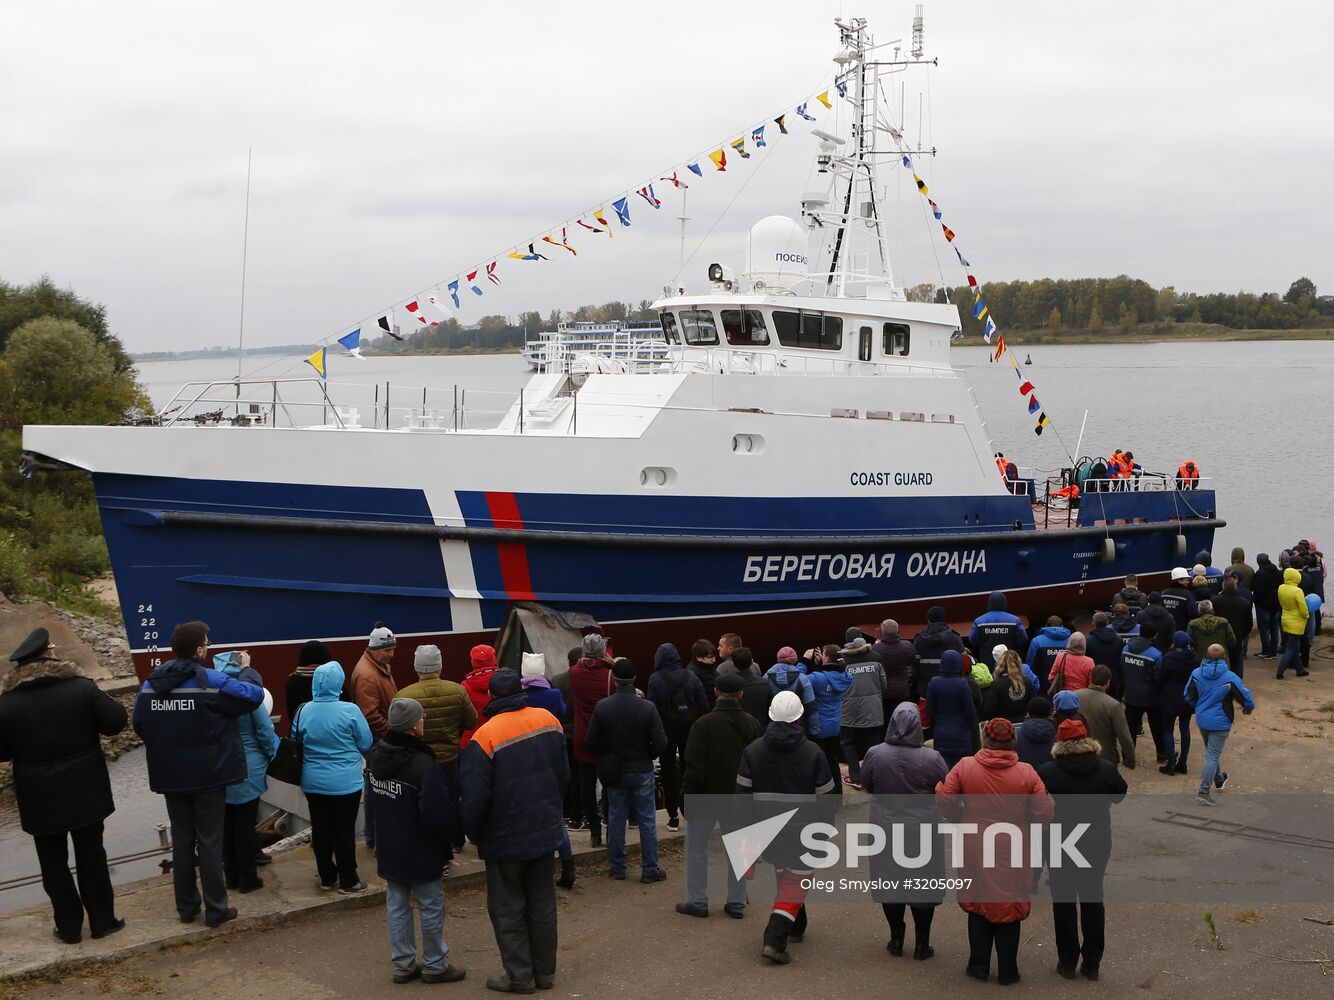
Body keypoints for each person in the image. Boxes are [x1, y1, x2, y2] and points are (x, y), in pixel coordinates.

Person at [0, 628, 128, 943]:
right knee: (92, 857)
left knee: (52, 863)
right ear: (49, 656)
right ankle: (102, 922)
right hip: (85, 789)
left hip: (38, 797)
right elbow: (115, 723)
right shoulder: (81, 689)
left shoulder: (6, 704)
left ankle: (69, 928)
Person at [132, 621, 263, 928]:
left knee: (181, 840)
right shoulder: (212, 682)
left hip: (170, 776)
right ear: (200, 650)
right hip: (209, 776)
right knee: (209, 841)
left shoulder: (150, 684)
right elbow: (253, 696)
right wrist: (246, 669)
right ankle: (216, 910)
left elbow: (139, 724)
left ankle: (187, 908)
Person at [461, 668, 568, 994]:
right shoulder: (549, 720)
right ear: (520, 691)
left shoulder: (485, 736)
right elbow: (563, 775)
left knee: (508, 909)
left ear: (492, 696)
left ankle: (520, 976)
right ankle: (545, 973)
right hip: (544, 829)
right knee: (542, 904)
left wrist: (475, 833)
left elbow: (474, 798)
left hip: (505, 837)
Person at [936, 717, 1053, 986]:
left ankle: (978, 965)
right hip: (1013, 843)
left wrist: (959, 818)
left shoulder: (965, 766)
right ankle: (1008, 970)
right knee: (1008, 903)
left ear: (985, 739)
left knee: (978, 901)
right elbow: (1044, 813)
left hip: (974, 842)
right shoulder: (1026, 772)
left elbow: (947, 801)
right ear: (1013, 741)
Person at [367, 698, 466, 985]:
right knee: (431, 905)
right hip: (421, 848)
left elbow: (373, 805)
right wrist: (447, 840)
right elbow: (437, 814)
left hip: (390, 845)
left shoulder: (376, 757)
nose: (423, 721)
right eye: (421, 718)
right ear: (412, 726)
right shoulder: (423, 765)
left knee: (397, 905)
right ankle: (435, 964)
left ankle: (402, 964)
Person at [737, 690, 838, 965]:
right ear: (798, 719)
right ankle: (774, 938)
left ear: (771, 716)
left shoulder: (752, 751)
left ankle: (796, 925)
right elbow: (828, 799)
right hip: (803, 833)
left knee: (785, 874)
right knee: (796, 881)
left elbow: (742, 799)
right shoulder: (813, 753)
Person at [1037, 717, 1128, 982]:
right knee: (1092, 899)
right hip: (1095, 841)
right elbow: (1119, 795)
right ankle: (1092, 963)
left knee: (1063, 901)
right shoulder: (1106, 769)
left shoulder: (1047, 771)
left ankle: (1067, 962)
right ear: (1087, 740)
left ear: (1060, 742)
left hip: (1060, 843)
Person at [861, 702, 949, 961]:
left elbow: (866, 783)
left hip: (884, 827)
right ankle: (922, 942)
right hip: (921, 829)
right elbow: (943, 786)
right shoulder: (932, 758)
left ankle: (896, 936)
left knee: (889, 880)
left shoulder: (875, 753)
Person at [677, 672, 762, 919]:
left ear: (715, 693)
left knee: (696, 850)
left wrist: (685, 798)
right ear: (741, 695)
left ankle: (698, 901)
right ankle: (736, 902)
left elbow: (694, 767)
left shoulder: (702, 725)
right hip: (739, 799)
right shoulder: (752, 724)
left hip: (705, 797)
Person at [584, 658, 669, 883]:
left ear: (615, 680)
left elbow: (591, 742)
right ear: (634, 679)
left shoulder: (603, 707)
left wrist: (608, 754)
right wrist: (647, 754)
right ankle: (650, 869)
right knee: (647, 822)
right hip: (641, 769)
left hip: (615, 772)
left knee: (615, 818)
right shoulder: (647, 707)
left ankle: (618, 867)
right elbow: (661, 743)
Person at [297, 660, 373, 893]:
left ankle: (327, 877)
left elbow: (296, 739)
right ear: (338, 684)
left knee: (320, 828)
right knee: (344, 829)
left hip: (313, 781)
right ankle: (349, 880)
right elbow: (366, 742)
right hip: (345, 782)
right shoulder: (350, 710)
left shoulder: (303, 710)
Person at [397, 643, 476, 858]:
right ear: (440, 667)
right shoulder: (457, 690)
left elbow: (399, 730)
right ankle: (457, 841)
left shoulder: (404, 695)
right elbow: (471, 721)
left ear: (417, 668)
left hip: (419, 762)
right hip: (449, 757)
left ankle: (427, 843)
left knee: (422, 802)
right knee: (453, 799)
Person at [214, 651, 275, 894]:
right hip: (248, 765)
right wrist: (271, 755)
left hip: (219, 767)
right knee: (246, 822)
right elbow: (264, 731)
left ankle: (231, 876)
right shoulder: (245, 695)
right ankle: (249, 878)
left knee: (227, 823)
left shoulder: (211, 693)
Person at [518, 657, 575, 888]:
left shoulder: (521, 697)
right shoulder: (553, 694)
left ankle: (536, 871)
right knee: (557, 817)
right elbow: (563, 711)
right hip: (553, 752)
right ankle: (568, 865)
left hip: (528, 757)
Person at [646, 642, 709, 833]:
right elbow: (704, 705)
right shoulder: (690, 676)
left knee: (668, 773)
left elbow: (652, 709)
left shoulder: (655, 679)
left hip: (666, 734)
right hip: (689, 731)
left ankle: (673, 815)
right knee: (689, 771)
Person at [1186, 644, 1256, 806]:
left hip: (1203, 719)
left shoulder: (1196, 674)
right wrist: (1248, 708)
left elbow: (1187, 695)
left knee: (1211, 752)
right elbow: (1246, 698)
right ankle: (1203, 792)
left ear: (1206, 656)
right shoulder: (1230, 677)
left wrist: (1199, 707)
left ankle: (1219, 778)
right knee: (1212, 756)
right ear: (1225, 658)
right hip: (1221, 721)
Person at [350, 622, 398, 852]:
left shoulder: (377, 667)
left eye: (392, 649)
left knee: (377, 789)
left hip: (382, 740)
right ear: (375, 648)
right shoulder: (368, 675)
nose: (392, 654)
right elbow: (369, 716)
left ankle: (375, 837)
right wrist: (395, 731)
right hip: (380, 742)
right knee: (378, 790)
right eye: (388, 650)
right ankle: (376, 839)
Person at [569, 633, 613, 846]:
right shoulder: (609, 676)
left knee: (586, 784)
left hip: (582, 735)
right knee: (609, 784)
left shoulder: (574, 673)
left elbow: (579, 665)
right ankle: (610, 825)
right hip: (604, 737)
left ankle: (594, 831)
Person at [836, 635, 887, 787]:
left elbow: (838, 687)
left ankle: (855, 777)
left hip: (849, 712)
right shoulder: (876, 661)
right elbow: (884, 686)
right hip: (873, 710)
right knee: (873, 746)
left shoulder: (843, 664)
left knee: (848, 742)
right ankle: (873, 778)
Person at [803, 651, 854, 796]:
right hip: (835, 725)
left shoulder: (817, 678)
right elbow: (830, 677)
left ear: (825, 658)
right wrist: (820, 665)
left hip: (818, 726)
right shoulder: (846, 677)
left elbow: (799, 679)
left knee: (819, 763)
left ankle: (823, 796)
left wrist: (806, 661)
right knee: (833, 760)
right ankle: (837, 794)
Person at [924, 650, 978, 770]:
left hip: (941, 733)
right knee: (961, 772)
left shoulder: (934, 682)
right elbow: (970, 712)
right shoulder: (963, 684)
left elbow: (929, 710)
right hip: (961, 735)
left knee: (944, 772)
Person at [1075, 665, 1135, 770]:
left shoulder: (1075, 696)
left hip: (1077, 753)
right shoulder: (1114, 705)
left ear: (1091, 678)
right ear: (1108, 683)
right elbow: (1124, 737)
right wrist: (1130, 760)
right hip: (1105, 757)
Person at [1120, 623, 1165, 764]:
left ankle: (1128, 757)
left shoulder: (1126, 648)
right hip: (1152, 697)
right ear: (1154, 636)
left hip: (1131, 695)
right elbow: (1159, 677)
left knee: (1130, 728)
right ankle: (1162, 754)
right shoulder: (1156, 654)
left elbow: (1122, 668)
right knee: (1157, 727)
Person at [1157, 632, 1197, 775]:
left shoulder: (1169, 658)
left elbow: (1161, 679)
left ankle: (1171, 764)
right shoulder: (1194, 657)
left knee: (1168, 730)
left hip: (1170, 698)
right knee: (1185, 729)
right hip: (1187, 698)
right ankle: (1183, 763)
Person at [762, 646, 817, 737]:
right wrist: (814, 730)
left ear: (778, 658)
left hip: (773, 728)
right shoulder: (803, 679)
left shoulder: (766, 678)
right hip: (798, 728)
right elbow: (811, 707)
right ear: (794, 659)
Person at [968, 591, 1029, 670]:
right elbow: (1023, 640)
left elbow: (973, 641)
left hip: (987, 665)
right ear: (1004, 602)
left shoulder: (979, 621)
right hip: (1009, 664)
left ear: (989, 603)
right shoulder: (1015, 621)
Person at [912, 606, 964, 695]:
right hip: (951, 685)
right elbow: (963, 661)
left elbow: (915, 665)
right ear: (943, 619)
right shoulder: (954, 638)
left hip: (926, 686)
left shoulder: (919, 639)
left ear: (928, 620)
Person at [285, 639, 334, 728]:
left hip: (302, 732)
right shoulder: (330, 679)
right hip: (330, 730)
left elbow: (291, 714)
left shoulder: (292, 681)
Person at [872, 619, 917, 714]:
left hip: (885, 692)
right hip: (903, 690)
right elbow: (911, 662)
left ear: (882, 632)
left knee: (887, 719)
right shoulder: (907, 646)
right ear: (897, 630)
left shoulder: (875, 648)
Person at [1211, 577, 1254, 677]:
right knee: (1237, 660)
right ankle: (1237, 681)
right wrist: (1242, 635)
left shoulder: (1214, 601)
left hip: (1219, 636)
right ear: (1235, 588)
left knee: (1218, 658)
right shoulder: (1244, 603)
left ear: (1223, 587)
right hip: (1237, 635)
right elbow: (1249, 623)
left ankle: (1219, 679)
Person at [459, 644, 499, 748]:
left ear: (473, 662)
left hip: (474, 740)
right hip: (500, 737)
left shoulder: (464, 686)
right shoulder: (505, 680)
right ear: (494, 659)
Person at [983, 649, 1036, 723]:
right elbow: (1033, 706)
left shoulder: (997, 684)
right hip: (1023, 724)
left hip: (1003, 726)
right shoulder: (1027, 681)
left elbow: (989, 710)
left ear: (1001, 664)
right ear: (1018, 663)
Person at [1276, 567, 1309, 679]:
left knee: (1294, 646)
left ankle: (1300, 669)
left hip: (1285, 618)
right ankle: (1280, 671)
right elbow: (1303, 607)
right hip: (1296, 621)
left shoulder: (1281, 588)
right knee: (1290, 648)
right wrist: (1306, 616)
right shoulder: (1297, 591)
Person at [1024, 616, 1072, 689]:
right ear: (1062, 626)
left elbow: (1030, 663)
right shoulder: (1071, 641)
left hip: (1043, 684)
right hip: (1066, 684)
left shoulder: (1037, 641)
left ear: (1046, 626)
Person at [1250, 553, 1283, 658]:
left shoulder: (1260, 574)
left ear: (1258, 562)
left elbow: (1255, 588)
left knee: (1264, 629)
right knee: (1274, 628)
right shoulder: (1277, 572)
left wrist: (1258, 601)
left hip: (1263, 606)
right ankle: (1273, 651)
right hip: (1276, 605)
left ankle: (1266, 651)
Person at [1187, 601, 1236, 671]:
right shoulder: (1223, 622)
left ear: (1199, 611)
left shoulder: (1192, 624)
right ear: (1211, 609)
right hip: (1222, 662)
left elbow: (1189, 644)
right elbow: (1232, 642)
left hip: (1201, 663)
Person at [732, 648, 772, 730]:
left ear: (733, 664)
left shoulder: (732, 685)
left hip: (741, 730)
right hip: (762, 729)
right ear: (751, 662)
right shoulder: (765, 683)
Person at [1084, 613, 1124, 690]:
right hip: (1114, 679)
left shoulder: (1088, 641)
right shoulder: (1119, 639)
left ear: (1093, 623)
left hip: (1096, 680)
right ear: (1107, 622)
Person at [1014, 696, 1056, 768]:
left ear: (1028, 713)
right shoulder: (1058, 734)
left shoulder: (1015, 735)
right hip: (1051, 777)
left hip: (1025, 777)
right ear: (1049, 714)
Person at [1160, 569, 1198, 635]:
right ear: (1180, 580)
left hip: (1166, 631)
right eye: (1186, 579)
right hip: (1182, 631)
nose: (1188, 582)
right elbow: (1193, 613)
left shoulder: (1164, 593)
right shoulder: (1187, 594)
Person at [686, 639, 719, 709]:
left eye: (714, 656)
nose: (714, 660)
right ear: (699, 657)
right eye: (710, 657)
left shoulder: (709, 666)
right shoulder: (692, 673)